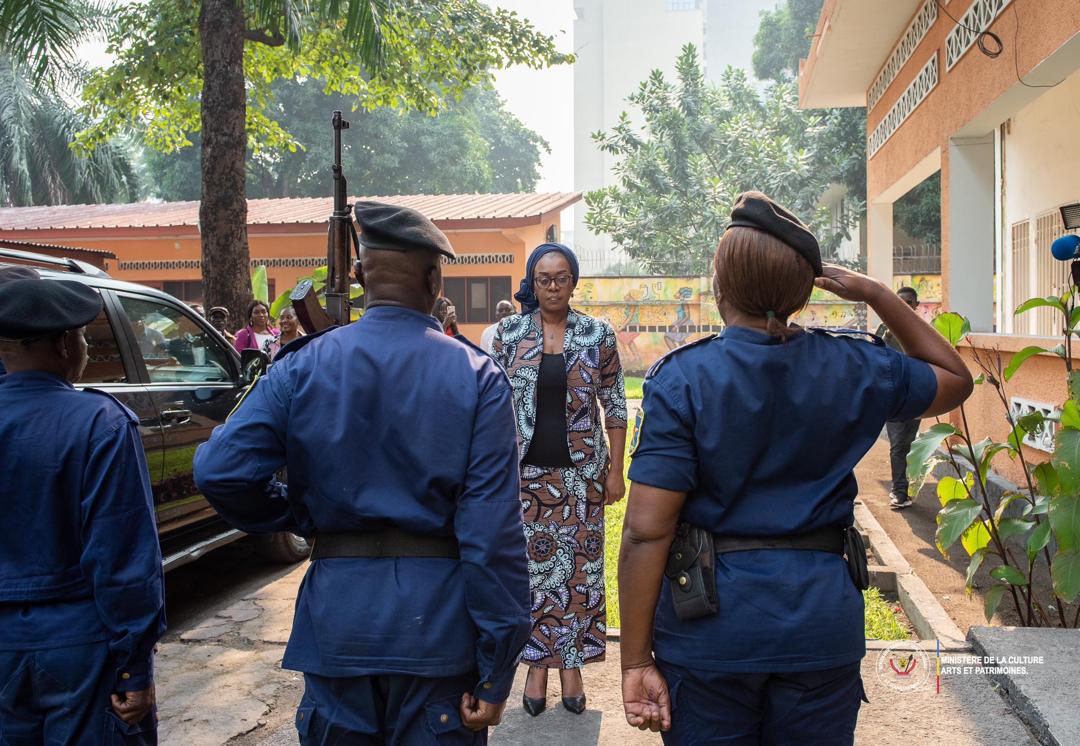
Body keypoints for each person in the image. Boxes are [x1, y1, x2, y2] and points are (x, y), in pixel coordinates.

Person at [617, 192, 973, 742]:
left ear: (720, 285)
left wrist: (636, 661)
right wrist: (877, 295)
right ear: (804, 294)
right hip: (819, 627)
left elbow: (646, 531)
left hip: (709, 632)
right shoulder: (857, 365)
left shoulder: (681, 379)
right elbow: (953, 378)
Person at [193, 201, 531, 743]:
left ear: (358, 276)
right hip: (437, 636)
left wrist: (297, 512)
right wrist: (497, 667)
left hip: (338, 628)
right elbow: (493, 536)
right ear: (434, 278)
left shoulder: (301, 365)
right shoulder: (478, 378)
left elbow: (219, 470)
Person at [0, 272, 166, 743]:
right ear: (66, 345)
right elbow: (123, 560)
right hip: (78, 646)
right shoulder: (100, 423)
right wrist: (135, 670)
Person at [492, 242, 628, 717]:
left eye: (562, 277)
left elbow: (615, 402)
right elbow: (492, 406)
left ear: (574, 281)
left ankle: (571, 666)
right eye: (544, 279)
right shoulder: (508, 334)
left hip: (580, 477)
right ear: (532, 282)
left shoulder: (597, 333)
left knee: (578, 575)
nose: (553, 286)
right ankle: (535, 667)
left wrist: (617, 471)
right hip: (524, 479)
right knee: (529, 577)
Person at [875, 287, 922, 509]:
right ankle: (899, 491)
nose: (905, 305)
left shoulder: (923, 330)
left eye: (909, 302)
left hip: (915, 394)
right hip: (893, 395)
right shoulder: (885, 328)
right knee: (897, 444)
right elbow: (874, 353)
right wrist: (888, 336)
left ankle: (907, 486)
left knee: (909, 444)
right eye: (900, 301)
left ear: (916, 305)